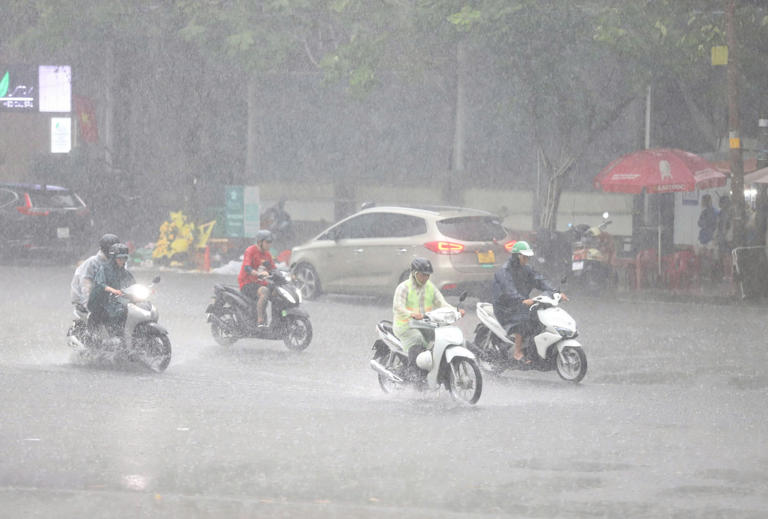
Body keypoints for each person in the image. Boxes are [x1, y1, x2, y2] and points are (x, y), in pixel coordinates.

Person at [492, 240, 565, 363]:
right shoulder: (504, 272)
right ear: (516, 256)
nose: (526, 260)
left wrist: (555, 292)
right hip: (505, 307)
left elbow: (540, 281)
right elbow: (509, 290)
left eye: (528, 257)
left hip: (522, 303)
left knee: (539, 319)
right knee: (522, 321)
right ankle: (517, 352)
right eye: (524, 257)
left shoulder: (527, 269)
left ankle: (534, 349)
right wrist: (522, 300)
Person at [392, 257, 463, 379]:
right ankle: (413, 372)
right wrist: (411, 314)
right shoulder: (403, 287)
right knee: (418, 339)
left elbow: (442, 303)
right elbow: (398, 307)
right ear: (414, 274)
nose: (425, 278)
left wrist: (455, 311)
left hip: (425, 325)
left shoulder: (430, 287)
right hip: (406, 326)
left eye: (427, 275)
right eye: (422, 275)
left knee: (444, 339)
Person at [87, 243, 136, 338]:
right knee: (115, 313)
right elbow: (100, 284)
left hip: (116, 300)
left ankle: (126, 335)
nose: (123, 261)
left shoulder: (124, 272)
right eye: (120, 258)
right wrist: (113, 290)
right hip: (101, 301)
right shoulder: (104, 269)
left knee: (127, 310)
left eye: (125, 258)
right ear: (113, 258)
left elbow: (133, 284)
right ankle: (113, 336)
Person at [70, 233, 121, 311]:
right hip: (85, 300)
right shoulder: (92, 263)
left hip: (109, 299)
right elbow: (86, 285)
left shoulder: (119, 261)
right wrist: (88, 304)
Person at [238, 229, 277, 327]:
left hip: (259, 283)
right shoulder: (250, 251)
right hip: (247, 283)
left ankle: (278, 321)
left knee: (278, 292)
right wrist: (257, 274)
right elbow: (247, 267)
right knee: (265, 291)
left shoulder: (267, 255)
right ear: (260, 242)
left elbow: (274, 269)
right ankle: (260, 320)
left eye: (271, 242)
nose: (269, 244)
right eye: (267, 242)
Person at [716, 195, 734, 281]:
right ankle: (727, 274)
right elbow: (719, 225)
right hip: (723, 237)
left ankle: (729, 274)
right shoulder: (721, 213)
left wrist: (726, 234)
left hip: (726, 237)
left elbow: (728, 225)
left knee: (728, 256)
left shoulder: (729, 213)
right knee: (725, 256)